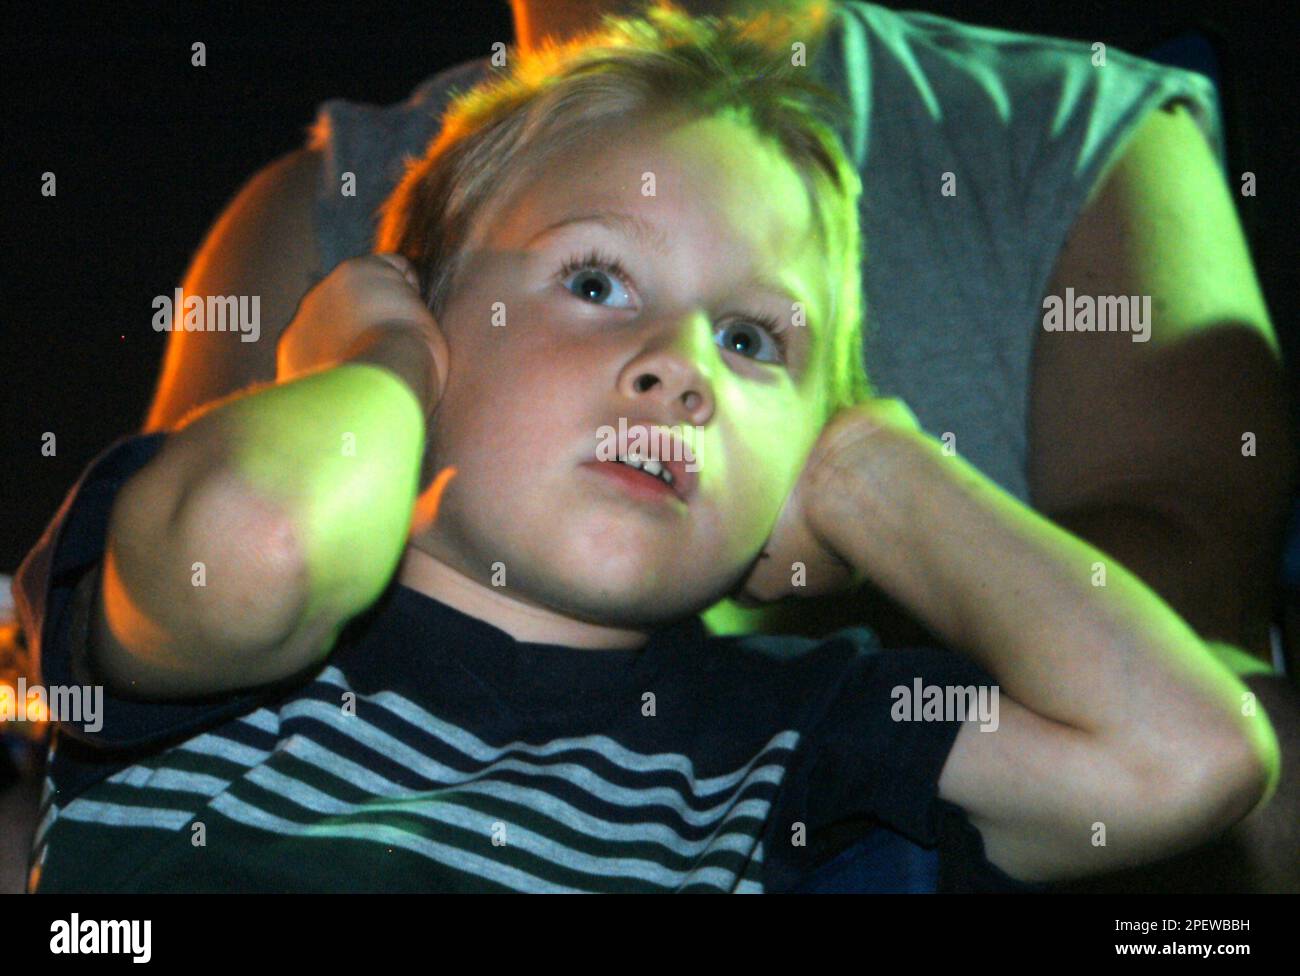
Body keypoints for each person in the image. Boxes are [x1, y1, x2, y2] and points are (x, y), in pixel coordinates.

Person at [13, 6, 1277, 893]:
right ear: (420, 309)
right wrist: (373, 361)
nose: (679, 362)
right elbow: (260, 544)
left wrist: (861, 470)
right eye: (598, 279)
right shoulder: (231, 636)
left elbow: (1193, 755)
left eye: (749, 339)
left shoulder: (797, 729)